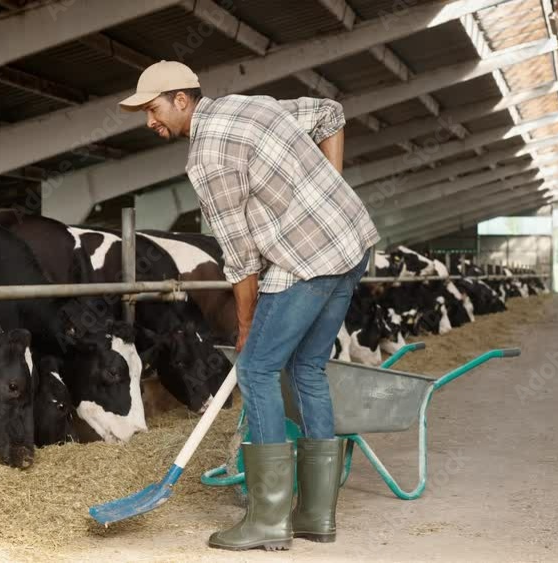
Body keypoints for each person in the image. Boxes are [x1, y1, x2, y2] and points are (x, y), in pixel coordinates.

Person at [120, 61, 380, 551]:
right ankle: (316, 517)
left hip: (307, 261)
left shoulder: (205, 158)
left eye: (153, 109)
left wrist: (245, 325)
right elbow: (330, 113)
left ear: (181, 100)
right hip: (351, 243)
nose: (149, 122)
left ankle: (267, 521)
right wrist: (330, 190)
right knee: (307, 369)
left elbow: (239, 259)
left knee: (257, 371)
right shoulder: (251, 106)